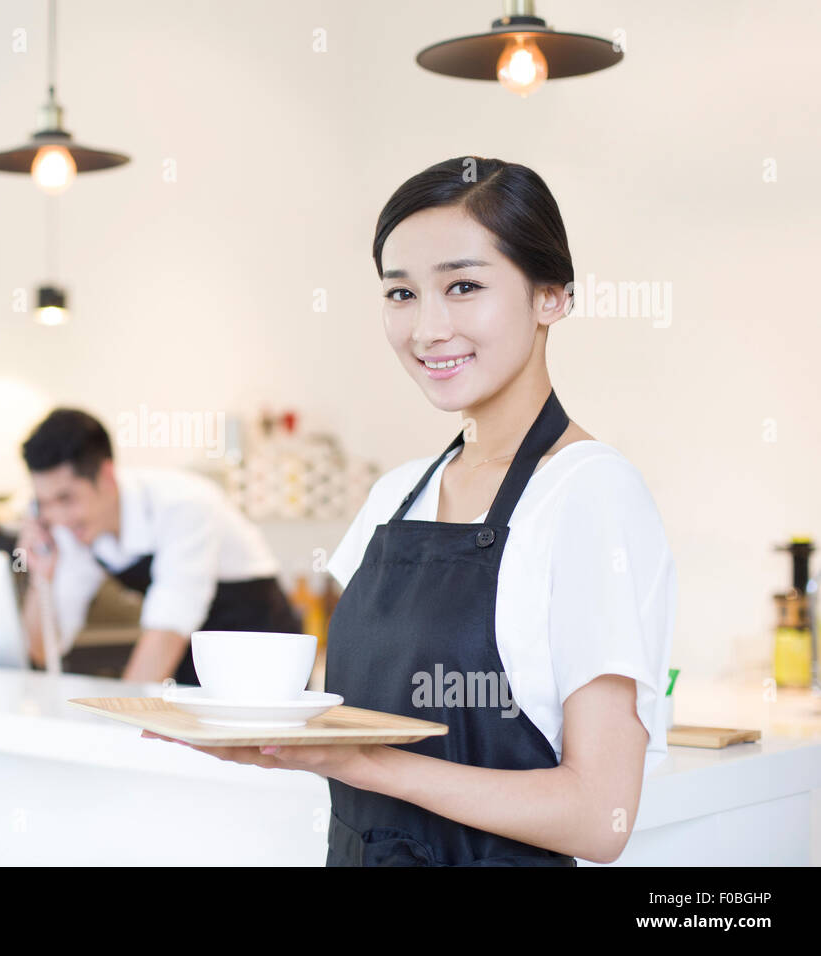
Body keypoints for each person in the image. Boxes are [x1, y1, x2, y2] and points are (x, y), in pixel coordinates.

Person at [144, 156, 677, 866]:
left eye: (463, 286)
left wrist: (361, 764)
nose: (427, 328)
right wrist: (268, 737)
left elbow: (599, 817)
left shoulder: (592, 495)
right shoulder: (396, 495)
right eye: (401, 294)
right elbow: (340, 707)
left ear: (551, 295)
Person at [16, 408, 301, 684]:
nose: (58, 518)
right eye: (45, 502)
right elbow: (44, 652)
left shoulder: (184, 505)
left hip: (259, 642)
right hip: (194, 653)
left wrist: (118, 723)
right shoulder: (75, 527)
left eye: (66, 499)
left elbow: (170, 625)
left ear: (105, 475)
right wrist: (42, 576)